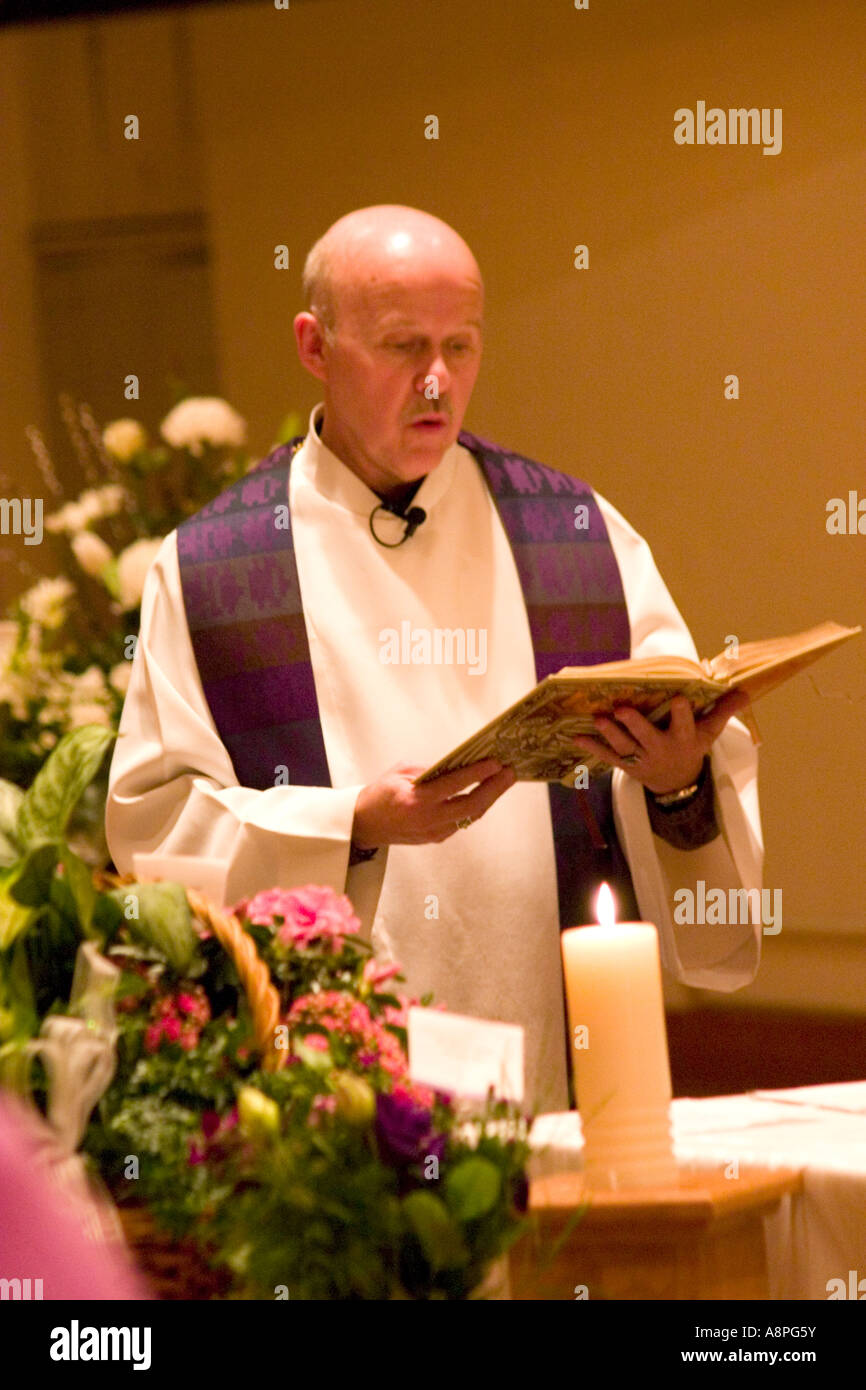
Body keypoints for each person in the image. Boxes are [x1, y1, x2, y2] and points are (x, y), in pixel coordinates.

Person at [106, 205, 763, 1112]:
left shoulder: (576, 534)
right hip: (324, 1108)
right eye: (402, 346)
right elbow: (156, 834)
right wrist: (352, 826)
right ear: (314, 345)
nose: (437, 382)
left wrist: (678, 782)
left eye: (461, 346)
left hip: (559, 1065)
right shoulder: (212, 568)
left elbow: (678, 762)